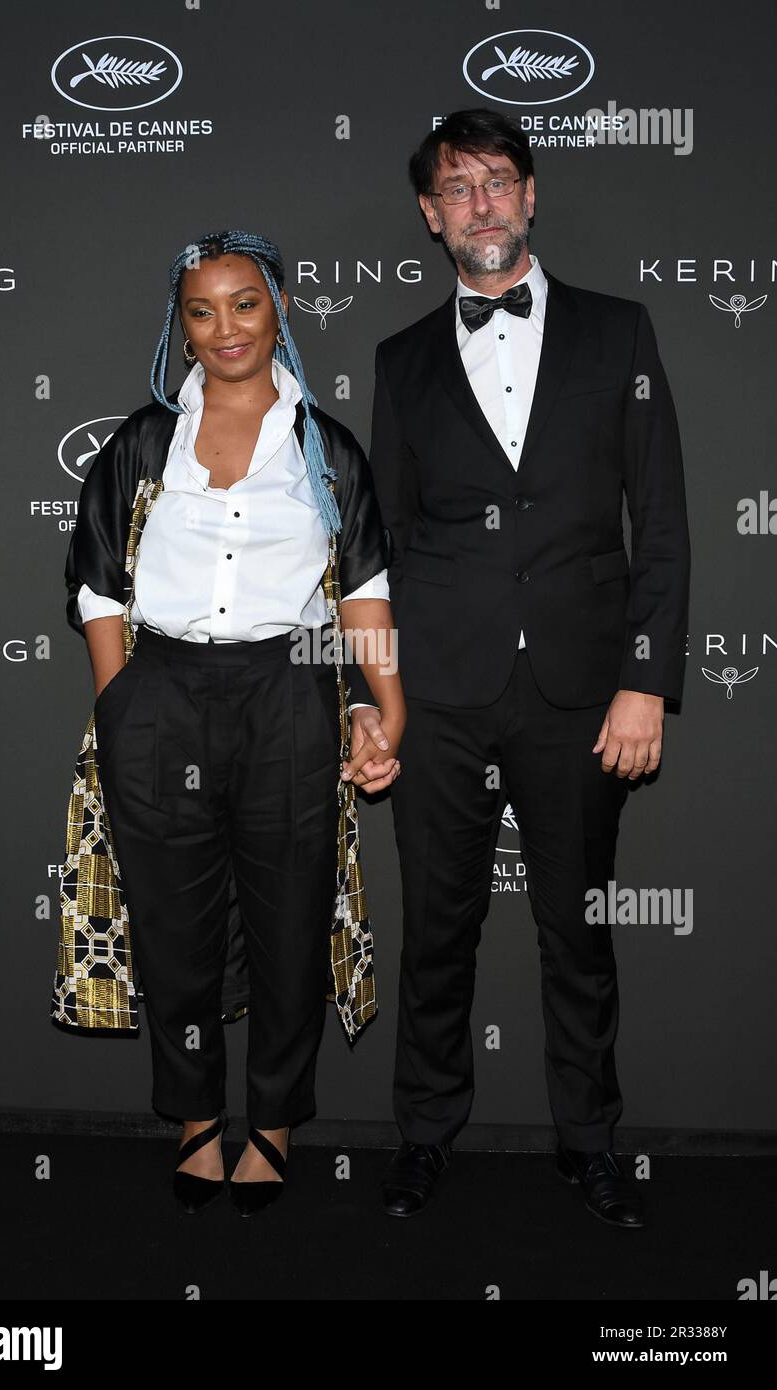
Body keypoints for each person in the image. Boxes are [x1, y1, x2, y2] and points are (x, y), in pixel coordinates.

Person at [346, 110, 691, 1227]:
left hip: (583, 695)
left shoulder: (617, 333)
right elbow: (374, 550)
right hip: (437, 693)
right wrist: (373, 700)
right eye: (458, 188)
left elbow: (664, 524)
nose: (481, 203)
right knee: (436, 928)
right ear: (429, 214)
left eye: (498, 181)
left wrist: (645, 679)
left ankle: (588, 1138)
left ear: (530, 195)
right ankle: (422, 1136)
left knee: (575, 929)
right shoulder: (399, 361)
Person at [61, 229, 405, 1217]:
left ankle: (275, 1122)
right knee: (175, 924)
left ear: (280, 308)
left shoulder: (324, 449)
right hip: (159, 692)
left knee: (290, 919)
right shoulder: (140, 441)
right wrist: (122, 697)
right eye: (201, 310)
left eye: (243, 303)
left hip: (289, 691)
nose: (224, 328)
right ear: (182, 324)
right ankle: (194, 1120)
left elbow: (364, 594)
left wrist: (388, 710)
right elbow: (95, 584)